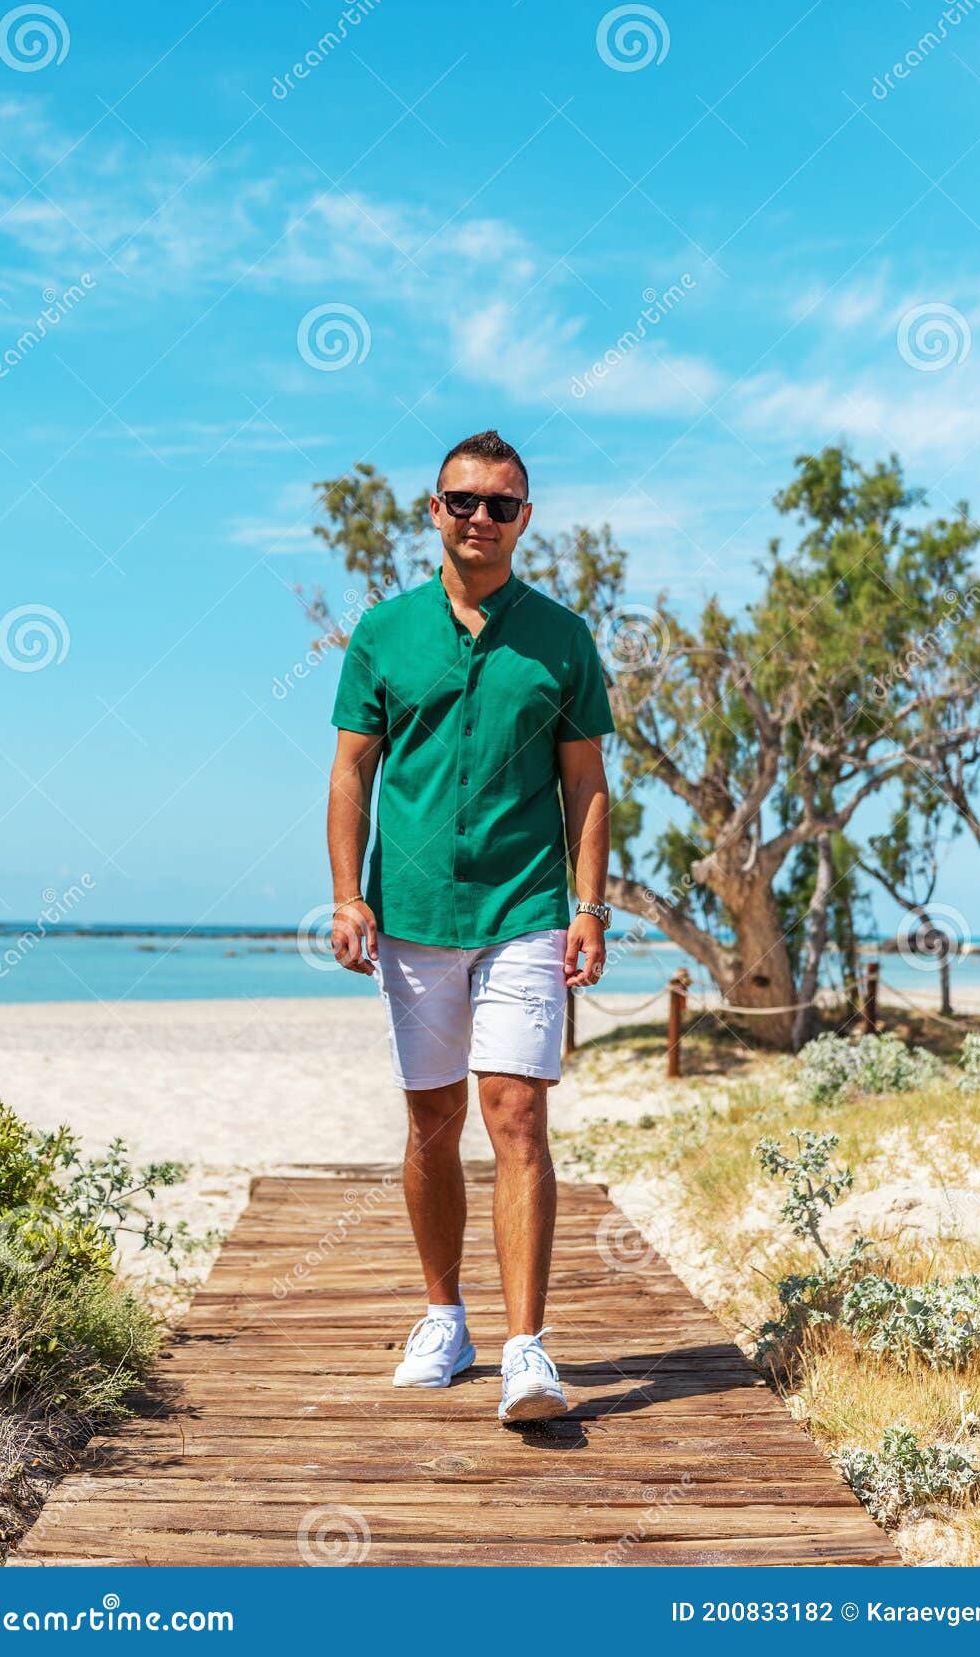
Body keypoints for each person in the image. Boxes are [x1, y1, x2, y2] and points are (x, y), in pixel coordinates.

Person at [327, 429, 614, 1423]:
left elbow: (584, 782)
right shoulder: (383, 632)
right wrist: (348, 893)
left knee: (515, 1114)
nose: (478, 519)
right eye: (461, 502)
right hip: (409, 917)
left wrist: (587, 904)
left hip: (524, 909)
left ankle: (527, 1350)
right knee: (432, 1120)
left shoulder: (561, 638)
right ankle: (443, 1317)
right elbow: (351, 771)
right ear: (434, 510)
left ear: (523, 519)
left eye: (498, 504)